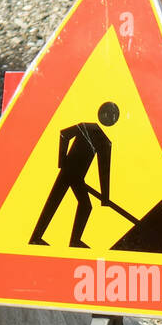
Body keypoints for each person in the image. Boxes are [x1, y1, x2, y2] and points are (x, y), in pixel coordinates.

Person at [29, 101, 119, 249]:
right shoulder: (92, 130)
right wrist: (62, 161)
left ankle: (45, 238)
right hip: (69, 173)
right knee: (60, 203)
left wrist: (105, 197)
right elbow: (64, 134)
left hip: (76, 176)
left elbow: (104, 170)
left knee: (66, 204)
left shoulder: (104, 141)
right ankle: (47, 239)